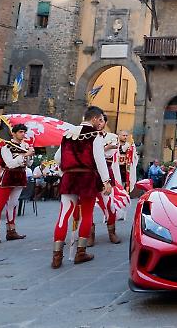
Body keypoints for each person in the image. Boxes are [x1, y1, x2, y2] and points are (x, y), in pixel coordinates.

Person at [51, 106, 118, 269]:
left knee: (63, 215)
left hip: (69, 177)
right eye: (100, 119)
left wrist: (65, 169)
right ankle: (81, 252)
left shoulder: (67, 134)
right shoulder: (94, 135)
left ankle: (57, 256)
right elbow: (100, 160)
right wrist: (106, 182)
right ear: (94, 119)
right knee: (87, 214)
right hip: (87, 178)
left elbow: (57, 157)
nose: (100, 123)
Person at [0, 124, 34, 244]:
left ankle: (11, 231)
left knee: (13, 204)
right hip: (8, 176)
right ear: (14, 133)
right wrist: (25, 155)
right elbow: (9, 163)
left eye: (24, 132)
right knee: (0, 205)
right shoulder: (6, 147)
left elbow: (29, 164)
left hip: (20, 175)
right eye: (20, 132)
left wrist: (30, 156)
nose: (23, 134)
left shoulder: (25, 146)